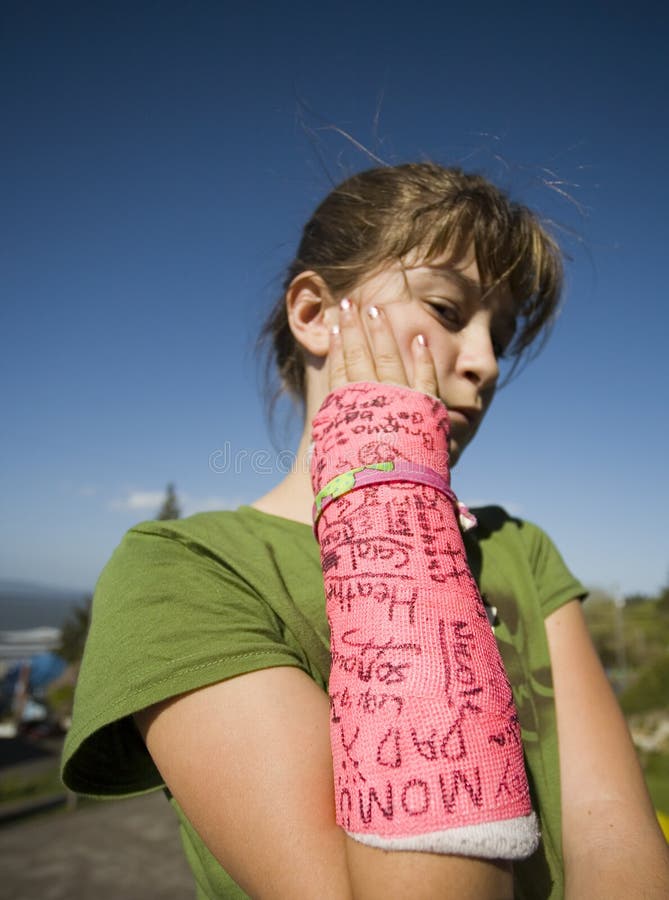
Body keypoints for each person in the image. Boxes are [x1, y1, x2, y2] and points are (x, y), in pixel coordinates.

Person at [61, 162, 669, 899]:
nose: (482, 363)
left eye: (499, 337)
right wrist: (386, 496)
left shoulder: (520, 548)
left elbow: (610, 828)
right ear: (315, 313)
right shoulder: (184, 569)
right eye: (447, 310)